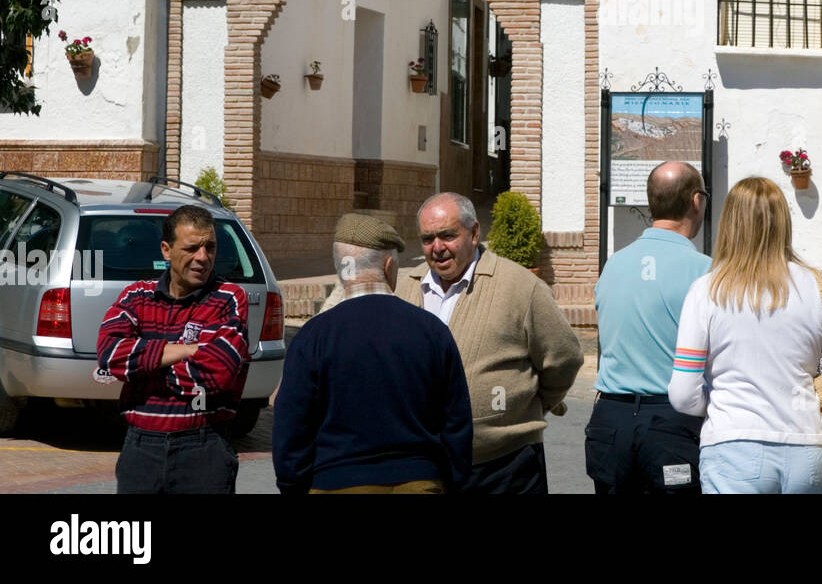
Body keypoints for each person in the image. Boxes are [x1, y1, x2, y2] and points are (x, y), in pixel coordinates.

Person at [669, 176, 822, 494]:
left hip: (732, 446)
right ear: (784, 223)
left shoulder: (706, 291)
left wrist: (721, 405)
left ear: (729, 223)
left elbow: (682, 394)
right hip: (807, 450)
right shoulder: (820, 288)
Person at [396, 191, 583, 494]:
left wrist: (522, 406)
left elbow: (563, 358)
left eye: (447, 235)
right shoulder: (406, 289)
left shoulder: (520, 286)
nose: (438, 248)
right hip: (426, 467)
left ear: (473, 233)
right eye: (428, 239)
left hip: (506, 467)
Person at [272, 213, 472, 494]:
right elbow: (456, 423)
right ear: (389, 266)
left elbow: (291, 426)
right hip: (420, 482)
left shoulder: (312, 337)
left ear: (340, 269)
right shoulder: (431, 330)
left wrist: (293, 485)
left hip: (336, 483)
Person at [97, 204, 249, 494]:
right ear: (166, 250)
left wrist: (144, 366)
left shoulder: (229, 298)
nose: (202, 258)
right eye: (192, 248)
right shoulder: (136, 296)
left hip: (204, 447)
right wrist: (187, 350)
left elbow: (216, 374)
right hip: (141, 449)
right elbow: (111, 355)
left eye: (210, 248)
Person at [586, 161, 713, 494]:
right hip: (671, 421)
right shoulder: (705, 272)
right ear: (696, 201)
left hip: (610, 419)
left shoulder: (613, 265)